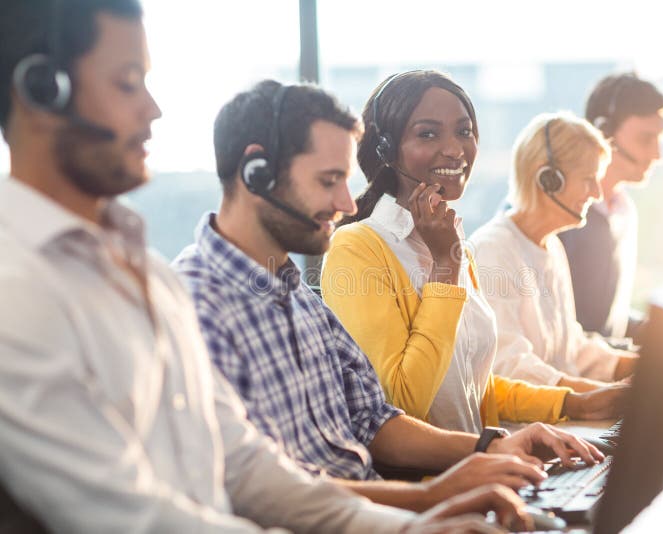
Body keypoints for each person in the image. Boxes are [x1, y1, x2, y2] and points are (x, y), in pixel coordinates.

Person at [0, 1, 535, 531]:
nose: (154, 109)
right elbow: (130, 515)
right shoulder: (20, 286)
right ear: (44, 89)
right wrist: (414, 512)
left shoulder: (147, 274)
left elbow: (245, 463)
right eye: (127, 82)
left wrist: (412, 522)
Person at [173, 78, 606, 515]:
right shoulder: (194, 307)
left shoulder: (298, 298)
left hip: (390, 508)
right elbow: (261, 490)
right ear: (256, 173)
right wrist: (430, 498)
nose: (346, 202)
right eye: (329, 180)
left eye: (463, 131)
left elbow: (376, 418)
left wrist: (491, 444)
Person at [322, 70, 627, 432]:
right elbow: (401, 404)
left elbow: (470, 385)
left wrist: (577, 403)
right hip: (437, 479)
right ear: (385, 149)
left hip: (484, 463)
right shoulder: (358, 248)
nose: (454, 149)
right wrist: (445, 270)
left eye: (464, 131)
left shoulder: (452, 244)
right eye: (428, 133)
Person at [470, 113, 638, 392]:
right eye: (588, 180)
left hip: (564, 416)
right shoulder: (493, 250)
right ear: (548, 178)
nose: (597, 193)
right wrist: (599, 395)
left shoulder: (551, 246)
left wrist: (642, 367)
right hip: (523, 428)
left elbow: (571, 348)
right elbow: (509, 367)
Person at [559, 73, 663, 341]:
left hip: (607, 368)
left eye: (660, 139)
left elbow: (604, 318)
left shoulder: (623, 211)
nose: (657, 155)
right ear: (603, 134)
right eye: (646, 139)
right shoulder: (558, 215)